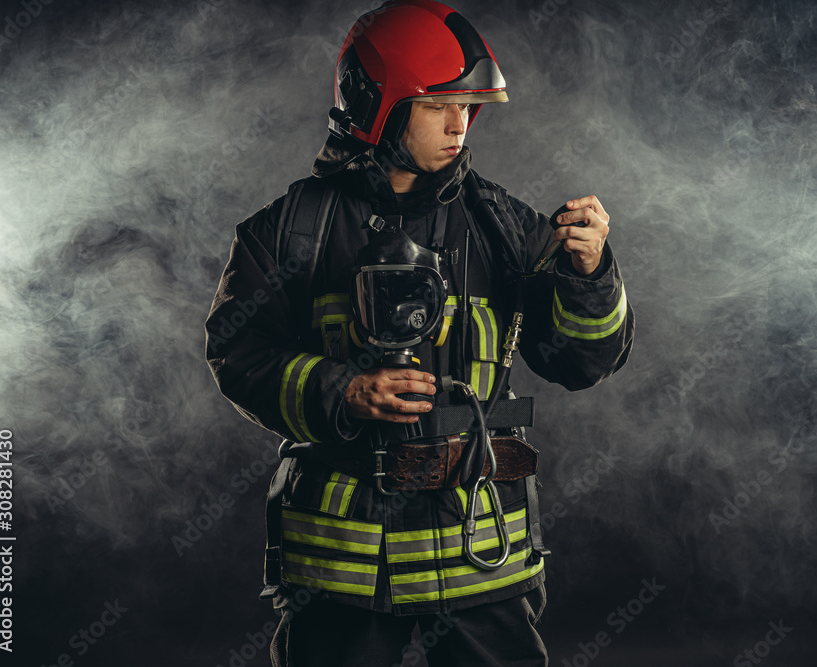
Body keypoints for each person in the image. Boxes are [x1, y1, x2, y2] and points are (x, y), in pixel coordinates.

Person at [205, 1, 633, 664]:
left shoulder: (505, 227)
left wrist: (589, 271)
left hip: (478, 555)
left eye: (467, 106)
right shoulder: (286, 231)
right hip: (343, 568)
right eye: (438, 106)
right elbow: (238, 355)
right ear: (377, 105)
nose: (460, 124)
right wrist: (341, 391)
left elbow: (583, 362)